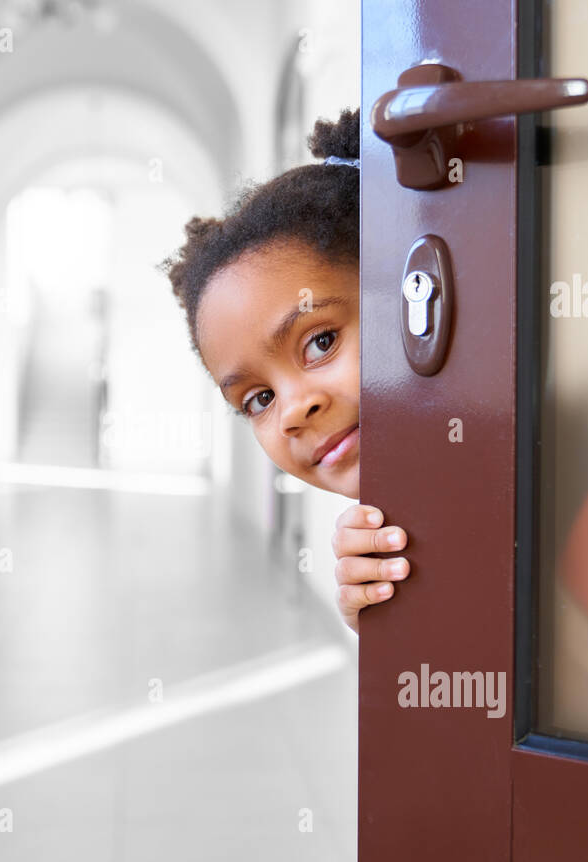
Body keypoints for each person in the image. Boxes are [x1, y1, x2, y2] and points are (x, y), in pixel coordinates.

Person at [160, 108, 409, 633]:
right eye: (259, 400)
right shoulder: (382, 534)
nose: (294, 410)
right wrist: (391, 633)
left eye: (320, 342)